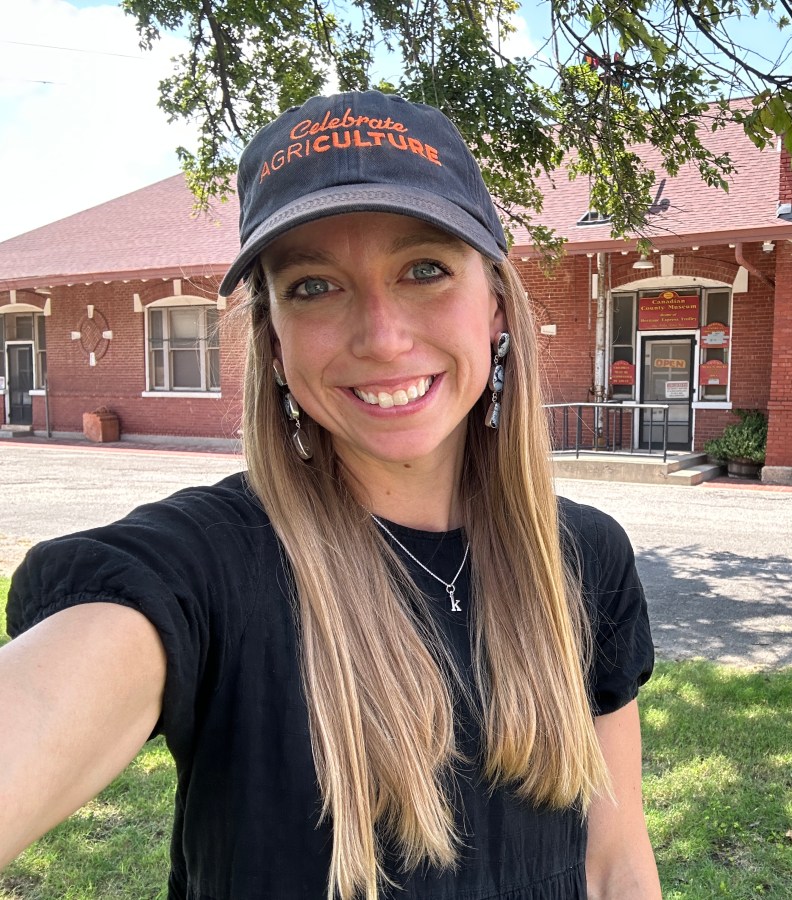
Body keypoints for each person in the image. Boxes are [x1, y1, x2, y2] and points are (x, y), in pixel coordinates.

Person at [0, 89, 660, 900]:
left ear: (494, 304)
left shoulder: (588, 559)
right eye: (314, 285)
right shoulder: (210, 568)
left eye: (424, 269)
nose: (381, 336)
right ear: (273, 342)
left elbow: (614, 860)